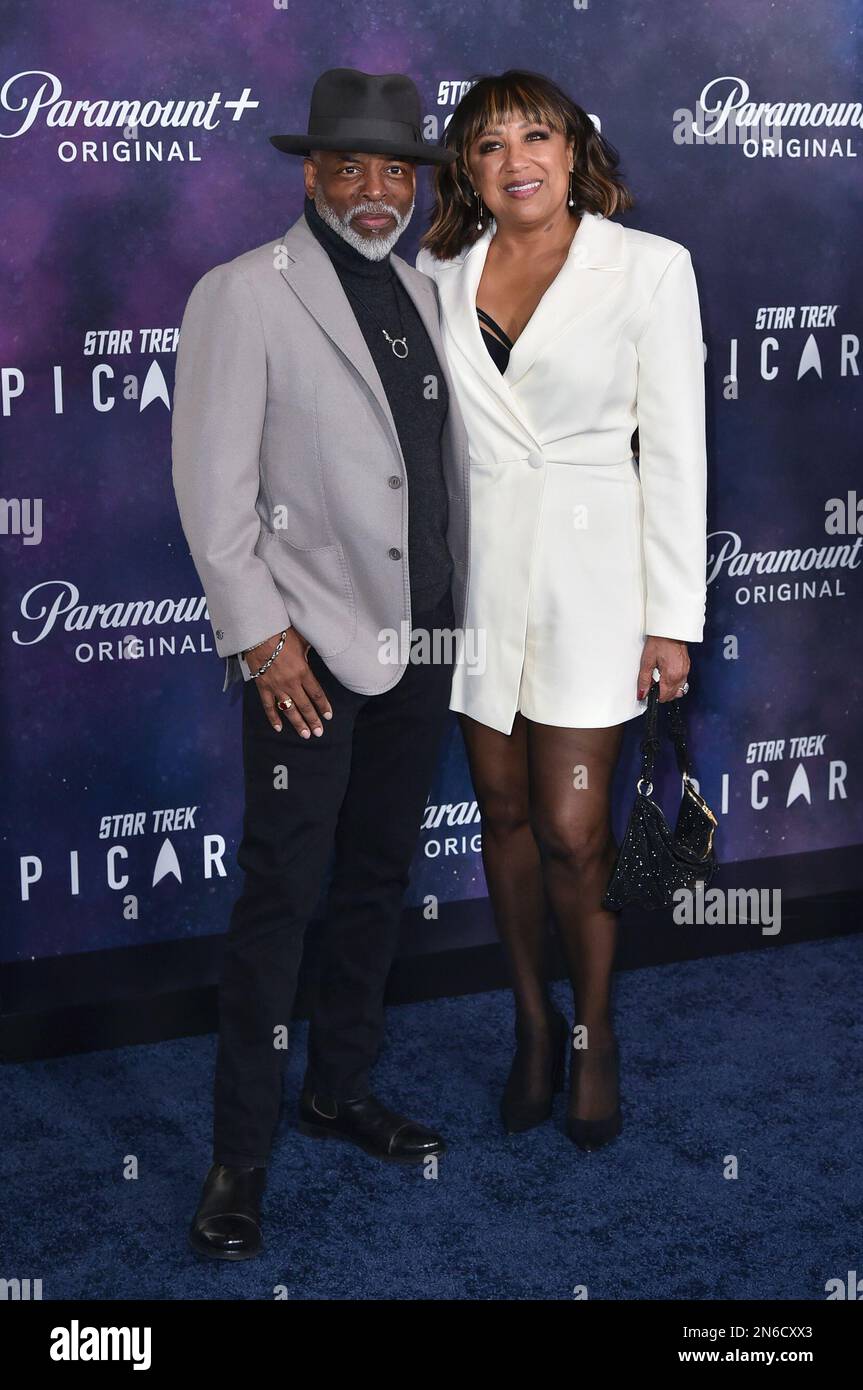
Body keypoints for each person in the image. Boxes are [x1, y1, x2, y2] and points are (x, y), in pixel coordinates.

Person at [171, 68, 470, 1259]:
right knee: (281, 898)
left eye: (394, 168)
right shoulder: (243, 294)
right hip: (307, 652)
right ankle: (237, 1159)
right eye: (349, 166)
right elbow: (210, 486)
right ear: (310, 174)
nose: (373, 187)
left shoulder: (419, 289)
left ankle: (339, 1087)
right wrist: (260, 637)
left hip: (424, 641)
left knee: (374, 877)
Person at [415, 69, 707, 1151]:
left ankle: (594, 1034)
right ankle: (530, 1027)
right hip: (480, 582)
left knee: (575, 831)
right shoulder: (437, 271)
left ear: (574, 151)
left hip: (596, 584)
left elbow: (674, 452)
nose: (514, 160)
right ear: (467, 170)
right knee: (501, 815)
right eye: (488, 146)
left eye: (534, 135)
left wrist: (670, 616)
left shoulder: (647, 269)